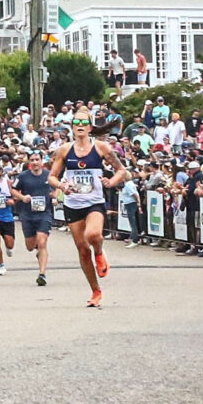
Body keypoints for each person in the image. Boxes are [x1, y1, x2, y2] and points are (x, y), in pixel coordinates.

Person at [51, 111, 126, 310]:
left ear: (90, 128)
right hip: (73, 203)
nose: (80, 125)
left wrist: (111, 182)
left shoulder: (101, 147)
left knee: (93, 234)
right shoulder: (64, 150)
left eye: (84, 122)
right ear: (72, 128)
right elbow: (51, 177)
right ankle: (95, 290)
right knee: (83, 250)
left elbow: (121, 170)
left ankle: (100, 253)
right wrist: (62, 186)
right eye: (76, 122)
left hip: (94, 201)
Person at [13, 151, 56, 286]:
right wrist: (22, 197)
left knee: (42, 243)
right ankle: (39, 253)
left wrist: (54, 197)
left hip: (44, 213)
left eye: (37, 159)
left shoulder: (48, 175)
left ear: (42, 161)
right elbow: (13, 190)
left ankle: (42, 274)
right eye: (32, 160)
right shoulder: (23, 176)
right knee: (30, 246)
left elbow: (57, 187)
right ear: (29, 162)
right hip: (27, 214)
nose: (35, 162)